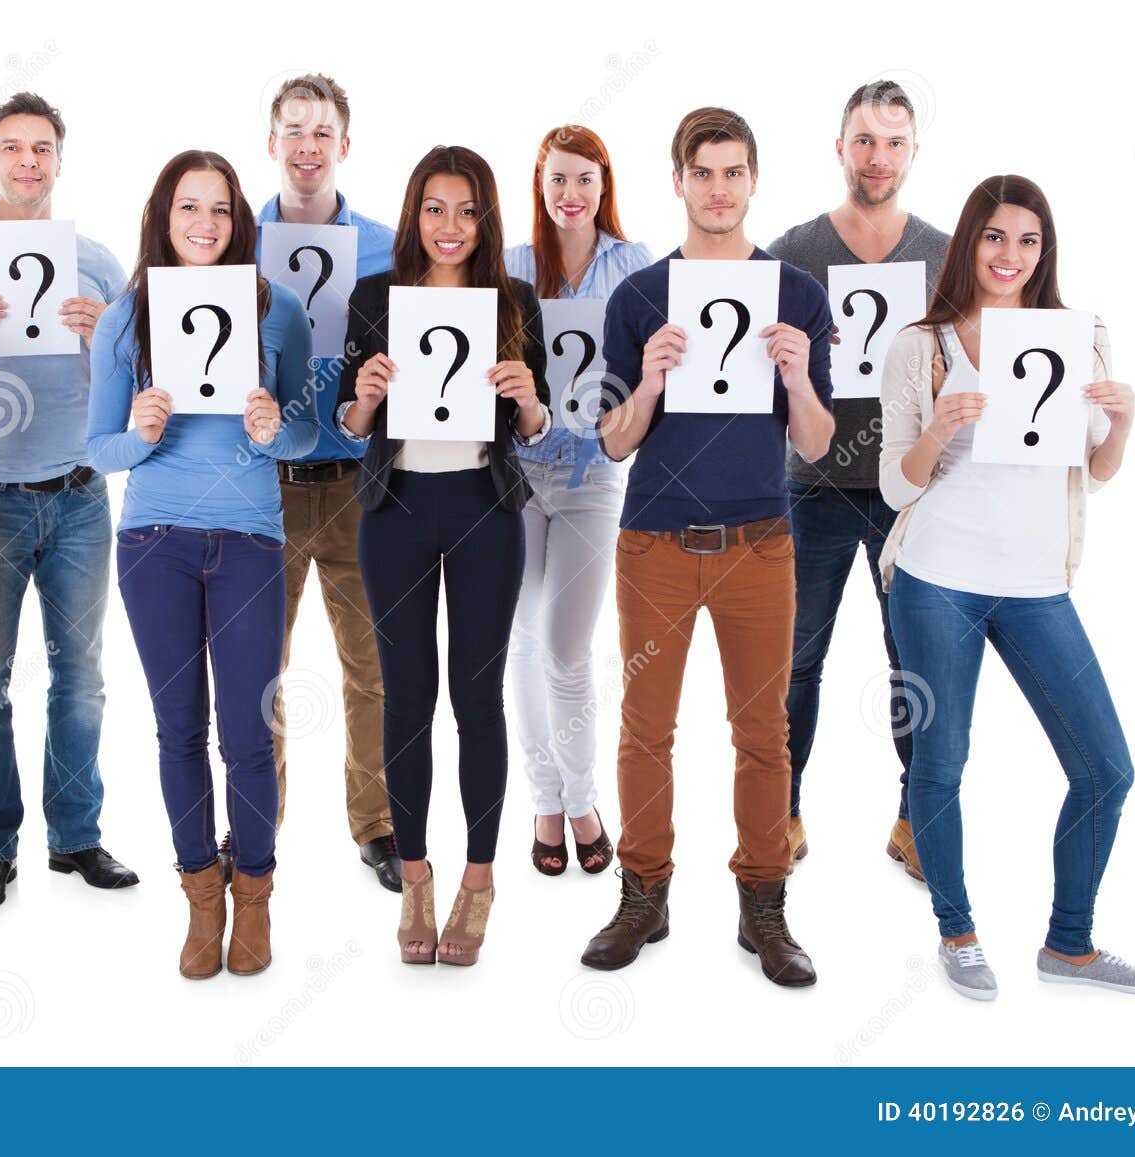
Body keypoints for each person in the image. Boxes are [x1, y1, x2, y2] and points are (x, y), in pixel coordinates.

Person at [878, 175, 1135, 1001]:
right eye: (994, 236)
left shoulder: (1082, 336)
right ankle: (957, 930)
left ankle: (1069, 944)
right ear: (969, 242)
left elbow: (1097, 472)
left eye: (1028, 240)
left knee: (1106, 767)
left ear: (1046, 251)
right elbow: (898, 488)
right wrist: (940, 422)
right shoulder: (922, 345)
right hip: (937, 578)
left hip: (1038, 584)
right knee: (941, 761)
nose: (1010, 255)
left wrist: (1125, 419)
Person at [579, 108, 834, 987]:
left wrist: (799, 376)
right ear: (678, 181)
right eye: (703, 173)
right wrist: (648, 379)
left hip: (760, 543)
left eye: (733, 173)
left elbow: (814, 444)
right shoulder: (639, 294)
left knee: (763, 729)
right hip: (653, 538)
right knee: (646, 728)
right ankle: (644, 890)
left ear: (753, 180)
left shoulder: (795, 293)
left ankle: (763, 901)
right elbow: (612, 442)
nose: (718, 189)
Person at [87, 151, 318, 980]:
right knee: (178, 726)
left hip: (250, 540)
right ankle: (201, 894)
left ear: (238, 221)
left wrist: (271, 425)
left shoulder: (276, 307)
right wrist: (141, 431)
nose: (205, 225)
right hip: (155, 543)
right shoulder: (126, 315)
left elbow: (306, 434)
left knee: (248, 730)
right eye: (190, 208)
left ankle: (253, 893)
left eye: (220, 210)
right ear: (164, 215)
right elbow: (98, 447)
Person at [335, 146, 551, 966]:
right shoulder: (374, 298)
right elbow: (348, 426)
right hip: (395, 511)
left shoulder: (514, 301)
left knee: (477, 696)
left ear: (486, 220)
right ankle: (416, 873)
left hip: (482, 509)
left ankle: (480, 877)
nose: (450, 226)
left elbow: (535, 428)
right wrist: (365, 397)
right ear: (413, 214)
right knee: (405, 698)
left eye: (466, 210)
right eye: (434, 208)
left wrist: (527, 398)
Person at [0, 92, 137, 914]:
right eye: (11, 148)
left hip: (80, 495)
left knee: (80, 676)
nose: (27, 162)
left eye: (41, 148)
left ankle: (76, 836)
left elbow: (141, 383)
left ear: (59, 160)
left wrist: (103, 338)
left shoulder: (98, 260)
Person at [768, 82, 951, 880]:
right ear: (839, 147)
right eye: (864, 140)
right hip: (812, 485)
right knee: (796, 657)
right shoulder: (793, 252)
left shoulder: (945, 254)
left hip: (910, 491)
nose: (877, 157)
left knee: (911, 656)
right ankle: (782, 805)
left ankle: (915, 815)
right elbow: (749, 379)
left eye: (893, 142)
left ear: (914, 152)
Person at [246, 73, 401, 892]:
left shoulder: (386, 244)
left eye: (323, 131)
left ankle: (374, 824)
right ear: (272, 143)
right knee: (256, 666)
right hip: (260, 485)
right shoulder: (230, 240)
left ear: (346, 144)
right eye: (293, 130)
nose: (308, 146)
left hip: (356, 479)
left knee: (369, 661)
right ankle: (255, 829)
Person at [504, 125, 652, 877]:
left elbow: (660, 352)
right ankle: (547, 799)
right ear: (540, 184)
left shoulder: (634, 264)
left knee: (566, 648)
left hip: (595, 474)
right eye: (557, 180)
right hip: (516, 474)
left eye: (584, 180)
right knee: (522, 641)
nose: (570, 195)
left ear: (604, 185)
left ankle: (584, 794)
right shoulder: (512, 265)